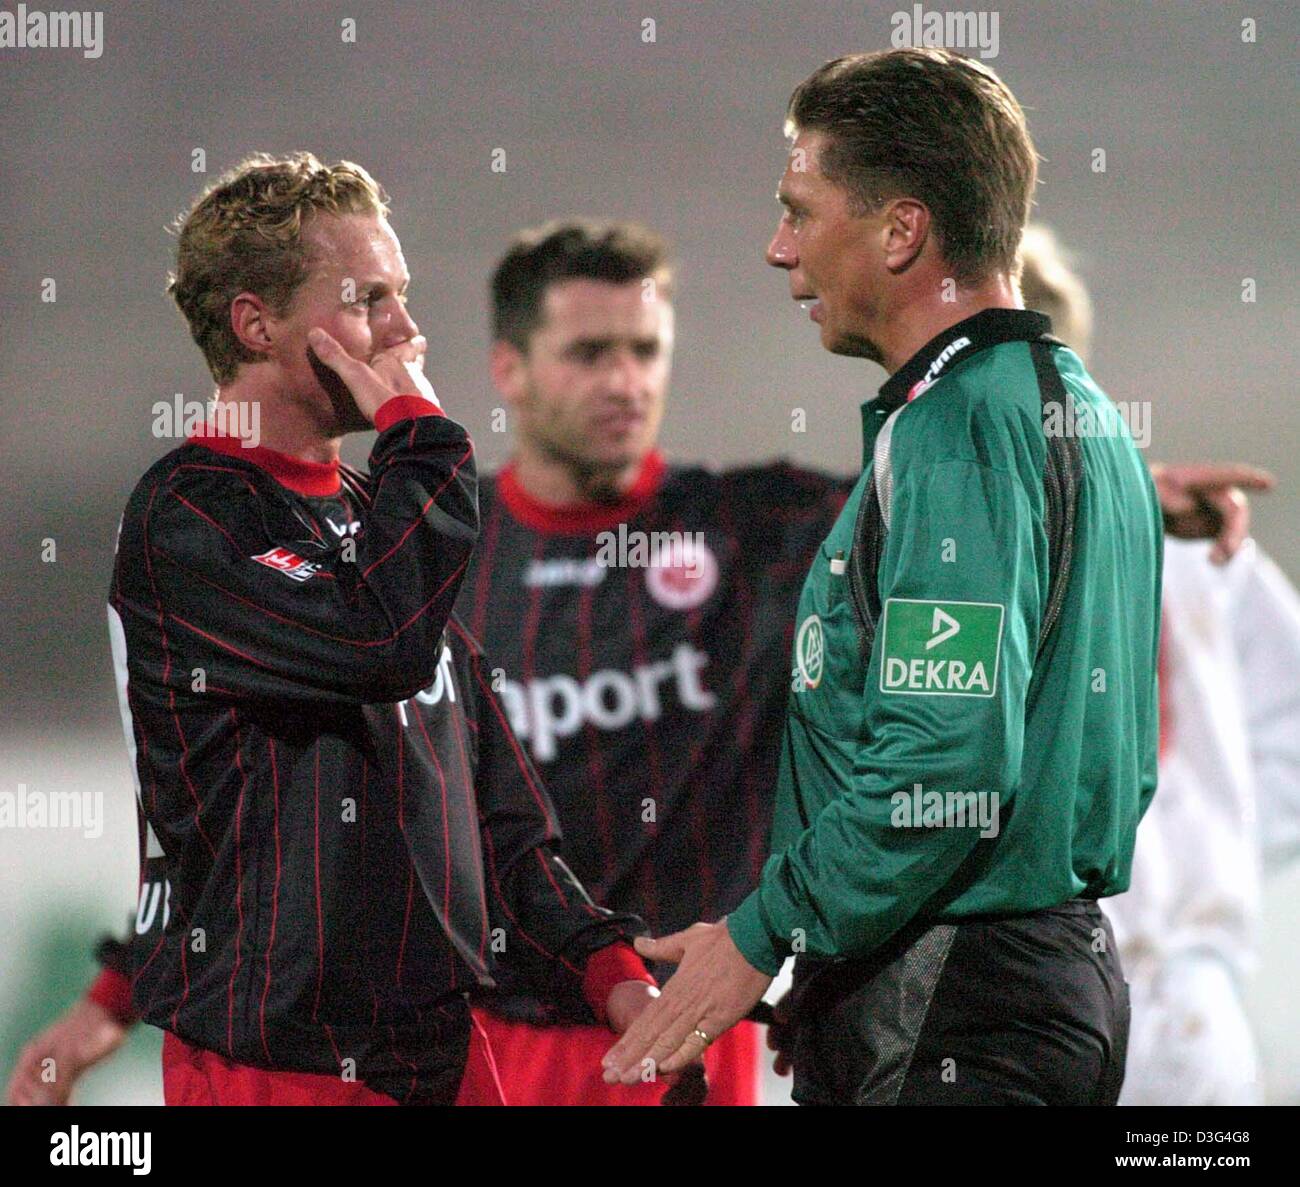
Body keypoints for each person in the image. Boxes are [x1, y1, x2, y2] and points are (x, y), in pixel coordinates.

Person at [6, 214, 1268, 1109]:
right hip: (481, 1022)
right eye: (589, 352)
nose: (625, 382)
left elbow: (963, 513)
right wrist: (115, 995)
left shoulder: (753, 526)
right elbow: (267, 819)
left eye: (645, 352)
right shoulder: (433, 543)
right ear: (512, 370)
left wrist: (1132, 489)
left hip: (669, 1020)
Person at [7, 152, 658, 1107]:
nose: (406, 330)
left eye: (403, 296)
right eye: (369, 300)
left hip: (437, 1047)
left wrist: (612, 973)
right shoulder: (190, 516)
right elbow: (377, 644)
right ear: (256, 323)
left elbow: (493, 802)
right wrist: (422, 429)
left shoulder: (377, 512)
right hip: (280, 1064)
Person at [604, 47, 1161, 1106]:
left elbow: (944, 764)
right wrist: (839, 965)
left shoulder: (954, 431)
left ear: (902, 230)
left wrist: (765, 934)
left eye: (800, 211)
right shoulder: (1076, 404)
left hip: (956, 996)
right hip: (1006, 980)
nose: (778, 250)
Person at [1019, 224, 1300, 1106]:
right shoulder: (920, 543)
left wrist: (1202, 856)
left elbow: (1290, 723)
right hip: (1017, 998)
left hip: (1177, 1003)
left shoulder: (1193, 549)